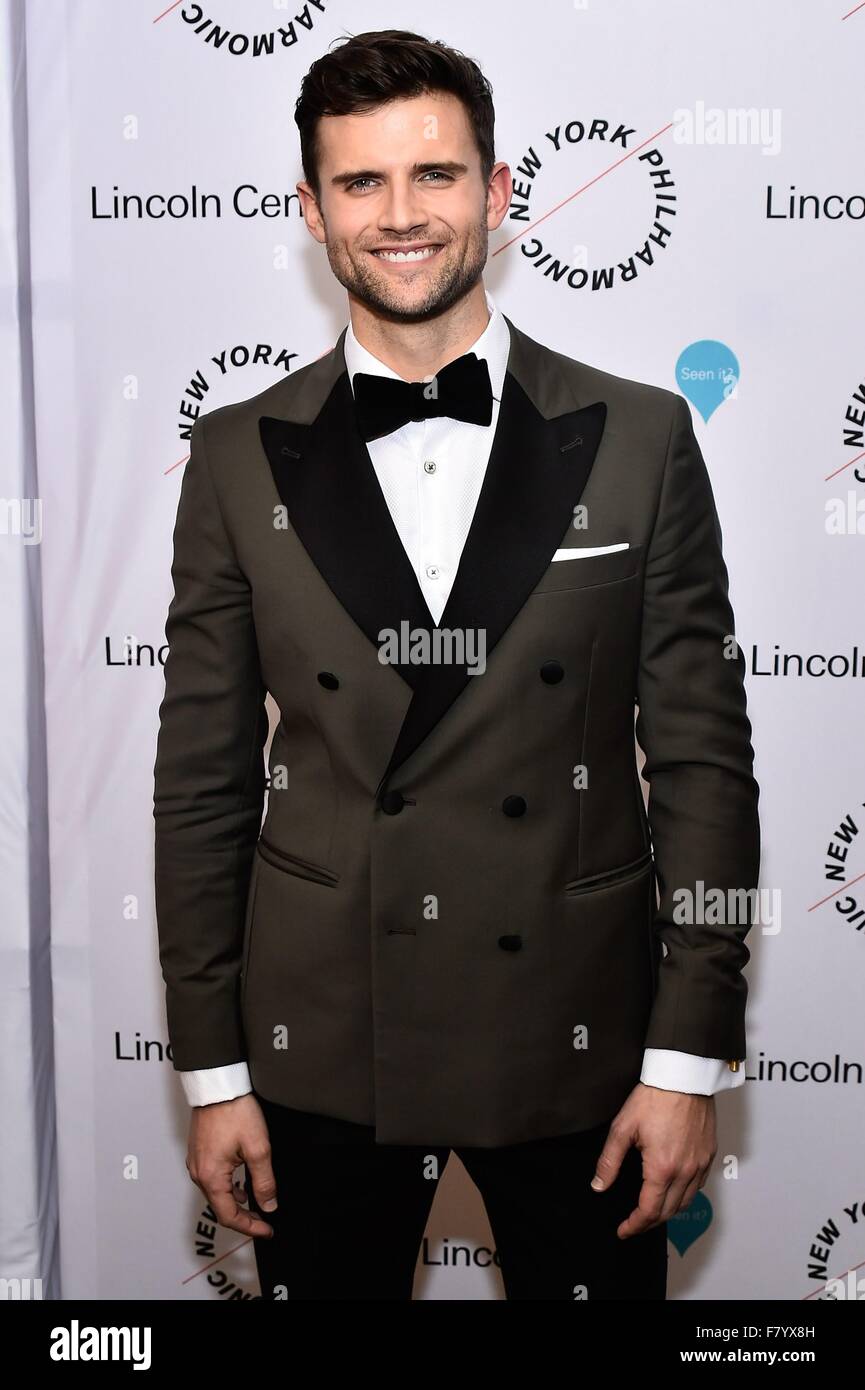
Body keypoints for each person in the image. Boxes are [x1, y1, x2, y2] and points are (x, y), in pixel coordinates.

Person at [152, 29, 760, 1301]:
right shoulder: (234, 456)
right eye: (361, 184)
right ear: (313, 211)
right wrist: (212, 1074)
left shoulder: (640, 438)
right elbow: (202, 787)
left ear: (495, 192)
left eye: (433, 175)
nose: (401, 215)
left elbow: (702, 763)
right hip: (319, 1042)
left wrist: (686, 1056)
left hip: (580, 1045)